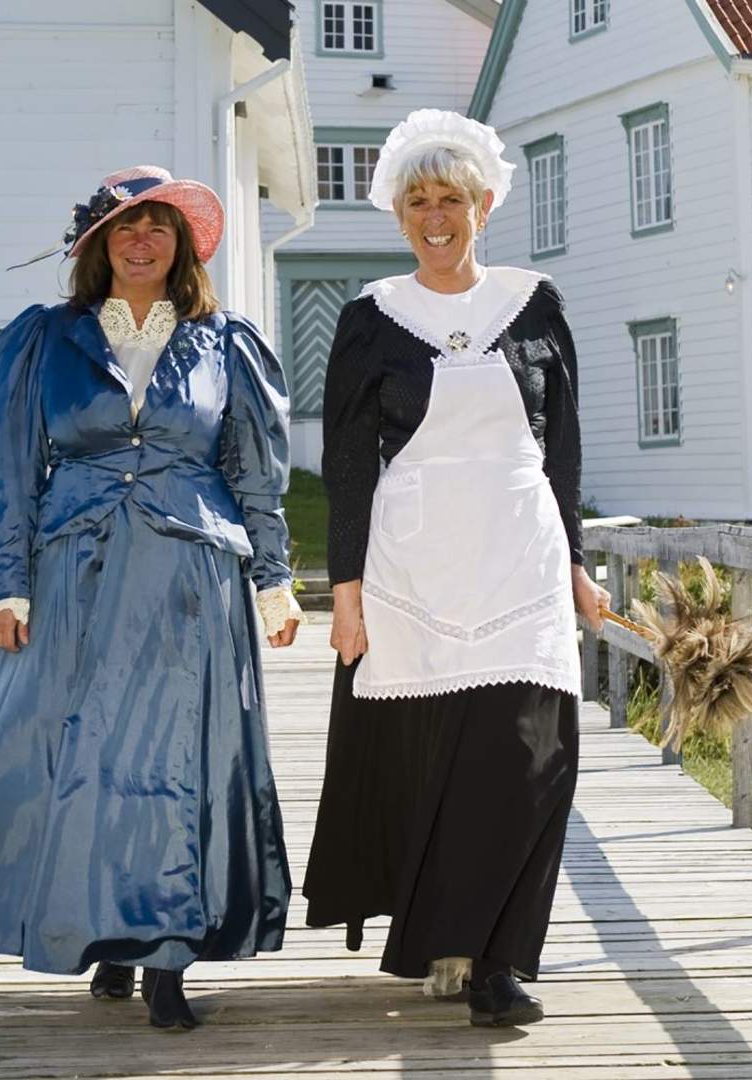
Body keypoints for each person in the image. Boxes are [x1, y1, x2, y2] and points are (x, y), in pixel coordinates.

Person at [0, 166, 302, 1032]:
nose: (142, 242)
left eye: (159, 228)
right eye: (126, 228)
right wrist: (10, 584)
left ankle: (166, 953)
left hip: (190, 578)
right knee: (79, 758)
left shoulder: (225, 343)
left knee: (175, 765)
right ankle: (101, 934)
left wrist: (275, 577)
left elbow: (256, 472)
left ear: (182, 247)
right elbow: (10, 473)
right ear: (97, 245)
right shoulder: (44, 340)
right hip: (77, 572)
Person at [299, 110, 610, 1028]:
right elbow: (349, 465)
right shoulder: (371, 317)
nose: (436, 217)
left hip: (522, 552)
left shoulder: (535, 302)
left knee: (530, 758)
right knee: (436, 758)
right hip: (414, 564)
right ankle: (455, 944)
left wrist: (580, 565)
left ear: (483, 206)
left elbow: (566, 450)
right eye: (418, 202)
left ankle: (500, 958)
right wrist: (345, 595)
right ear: (400, 217)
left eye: (453, 200)